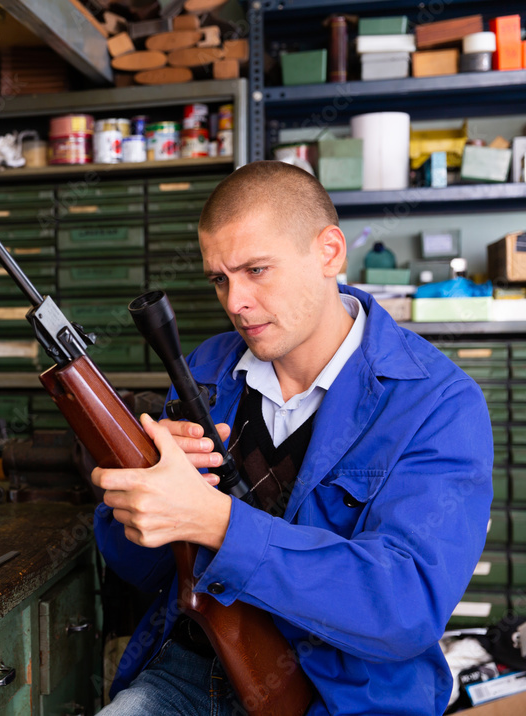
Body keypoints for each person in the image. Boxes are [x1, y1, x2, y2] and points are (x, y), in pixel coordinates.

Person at [92, 161, 493, 715]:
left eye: (257, 270)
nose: (235, 302)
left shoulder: (439, 404)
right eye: (220, 278)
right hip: (198, 665)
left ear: (330, 252)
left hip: (346, 695)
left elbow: (405, 605)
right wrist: (135, 498)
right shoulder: (207, 368)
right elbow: (141, 570)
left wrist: (217, 522)